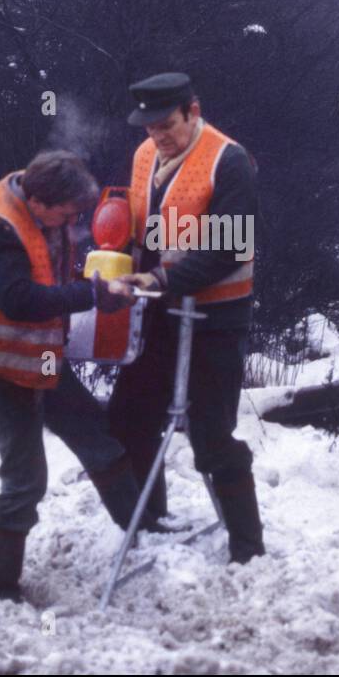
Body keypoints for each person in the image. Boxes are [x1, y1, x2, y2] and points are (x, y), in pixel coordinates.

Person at [0, 150, 153, 603]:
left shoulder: (37, 205)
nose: (73, 221)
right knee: (25, 479)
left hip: (39, 357)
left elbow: (48, 273)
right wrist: (93, 295)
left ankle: (139, 536)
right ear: (39, 201)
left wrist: (93, 288)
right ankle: (3, 587)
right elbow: (19, 300)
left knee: (95, 438)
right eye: (67, 212)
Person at [106, 72, 266, 564]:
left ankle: (248, 548)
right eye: (150, 127)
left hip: (216, 319)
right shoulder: (142, 156)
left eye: (167, 126)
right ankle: (150, 519)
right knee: (130, 416)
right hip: (159, 315)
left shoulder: (229, 161)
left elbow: (229, 248)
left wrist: (161, 279)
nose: (158, 136)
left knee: (211, 436)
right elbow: (141, 232)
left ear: (192, 111)